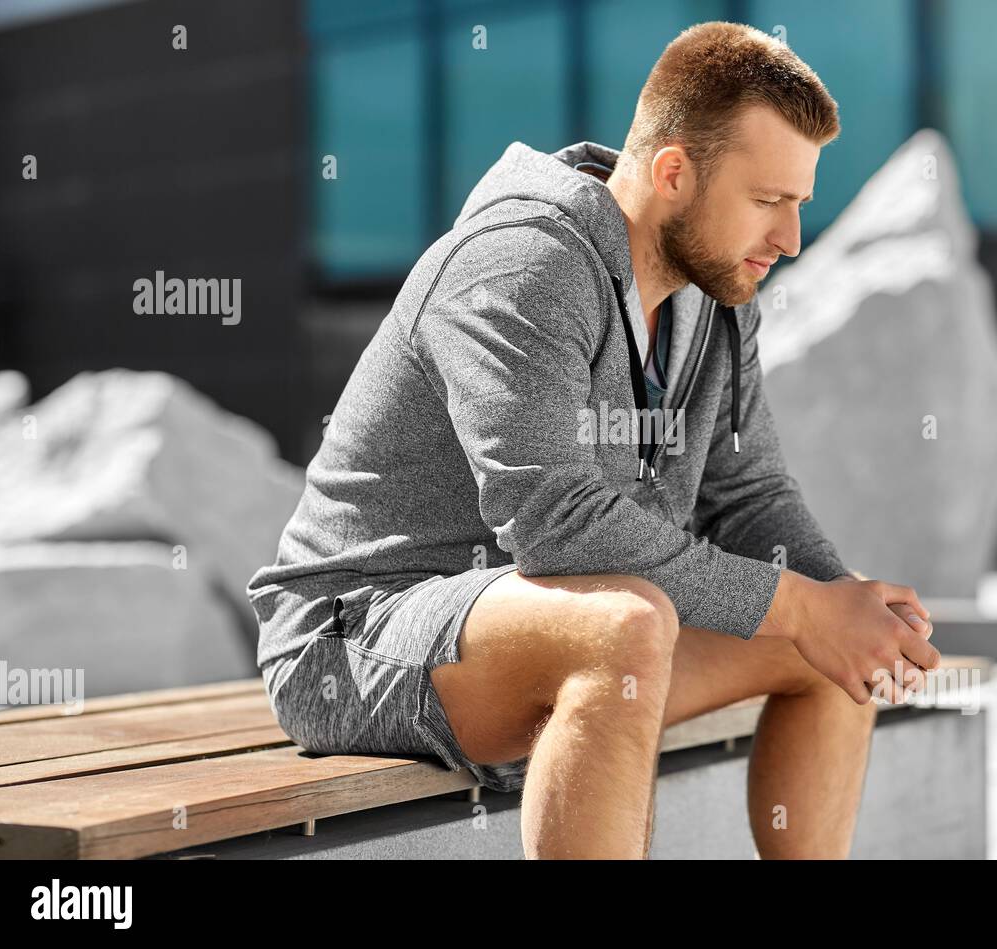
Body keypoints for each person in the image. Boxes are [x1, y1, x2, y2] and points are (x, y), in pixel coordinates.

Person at [246, 20, 938, 859]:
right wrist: (801, 604)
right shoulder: (523, 262)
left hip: (558, 627)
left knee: (822, 643)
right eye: (767, 202)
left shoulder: (716, 298)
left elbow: (747, 493)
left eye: (799, 203)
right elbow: (556, 521)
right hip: (355, 637)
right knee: (629, 621)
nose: (790, 240)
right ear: (675, 173)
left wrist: (842, 601)